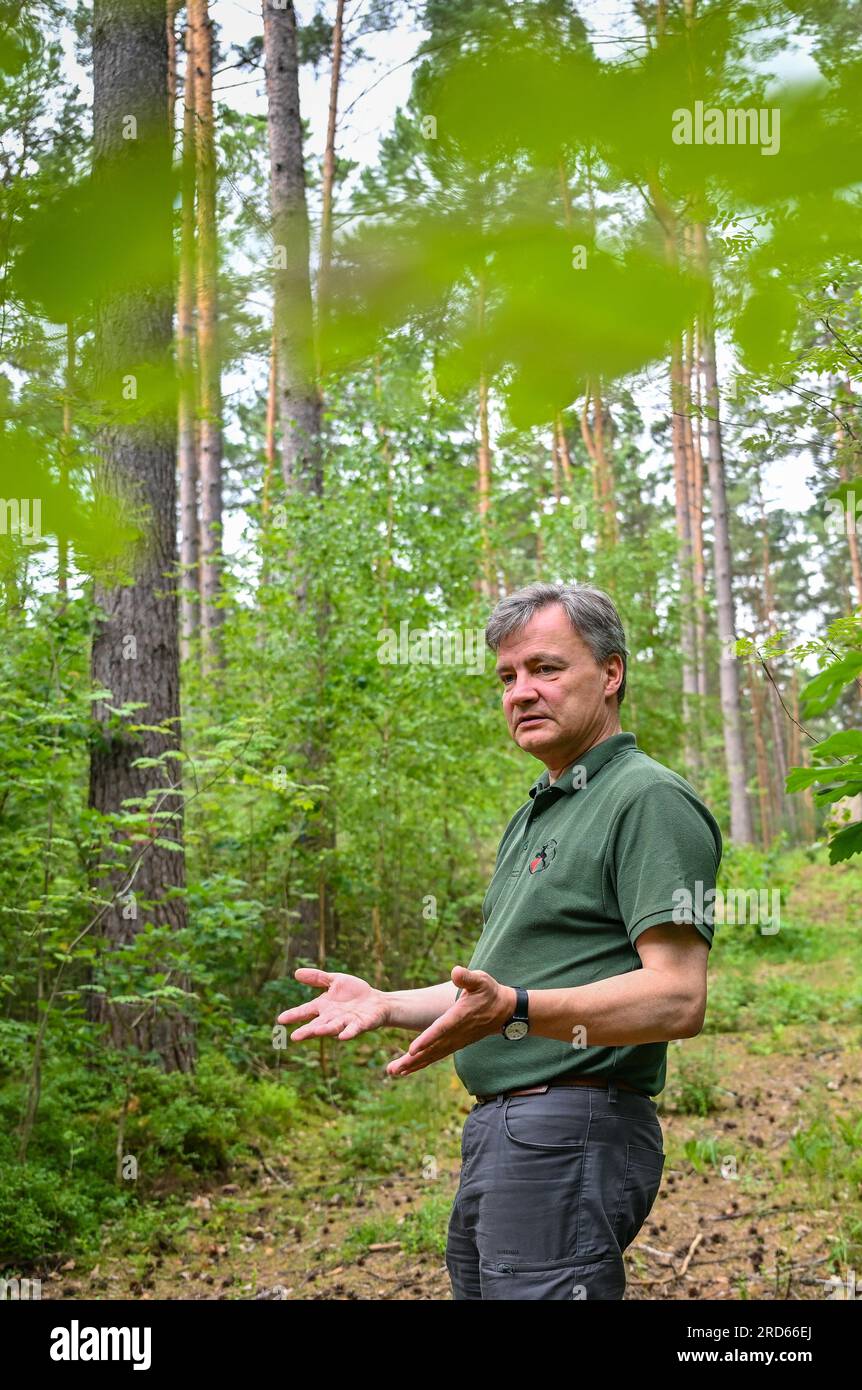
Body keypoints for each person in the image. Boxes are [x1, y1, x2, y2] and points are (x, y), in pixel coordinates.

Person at [277, 581, 722, 1300]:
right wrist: (384, 1002)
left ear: (611, 674)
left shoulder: (648, 799)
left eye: (547, 668)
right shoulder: (539, 813)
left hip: (571, 1123)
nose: (521, 692)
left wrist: (515, 1008)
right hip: (508, 1129)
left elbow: (677, 997)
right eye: (507, 677)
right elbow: (498, 987)